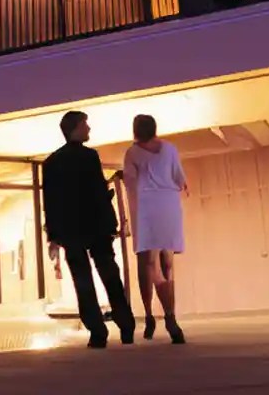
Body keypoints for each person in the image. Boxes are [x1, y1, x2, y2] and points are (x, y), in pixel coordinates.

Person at [42, 111, 136, 349]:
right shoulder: (90, 157)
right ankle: (126, 325)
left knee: (82, 281)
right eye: (85, 125)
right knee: (110, 276)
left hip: (70, 230)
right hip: (96, 226)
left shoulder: (51, 163)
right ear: (75, 128)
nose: (89, 129)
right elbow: (98, 193)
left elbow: (50, 201)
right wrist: (111, 223)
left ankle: (97, 331)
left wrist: (53, 234)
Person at [122, 114, 187, 345]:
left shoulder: (132, 153)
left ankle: (154, 315)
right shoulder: (169, 148)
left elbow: (130, 181)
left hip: (146, 208)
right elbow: (180, 178)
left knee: (148, 262)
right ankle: (171, 316)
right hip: (168, 205)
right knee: (167, 261)